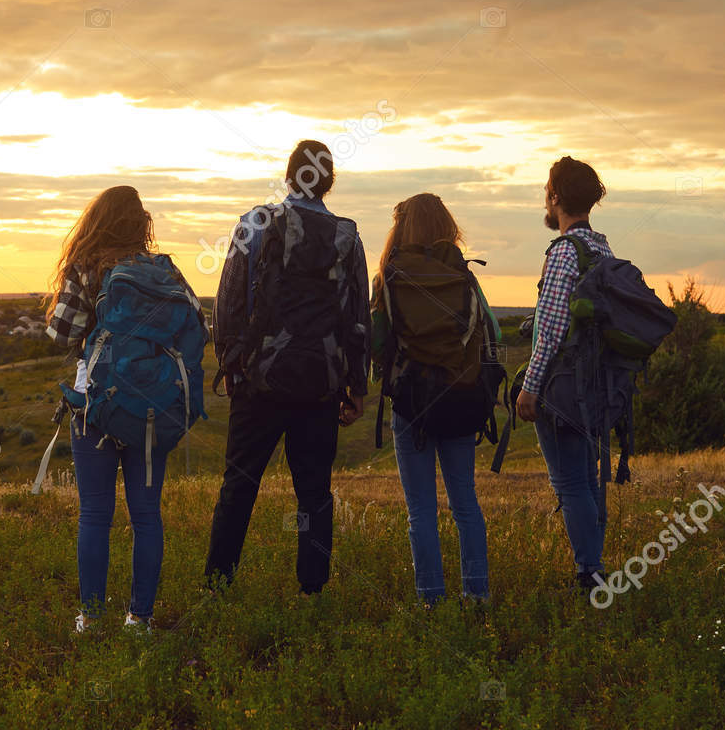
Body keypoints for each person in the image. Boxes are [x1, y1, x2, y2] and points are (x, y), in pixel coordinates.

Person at [203, 141, 370, 595]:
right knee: (314, 492)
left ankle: (218, 587)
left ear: (289, 175)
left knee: (238, 486)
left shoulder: (256, 223)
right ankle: (312, 590)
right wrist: (357, 384)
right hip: (321, 384)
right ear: (330, 181)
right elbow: (358, 315)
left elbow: (228, 302)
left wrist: (232, 366)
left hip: (259, 380)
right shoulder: (347, 237)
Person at [46, 185, 200, 633]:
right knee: (146, 514)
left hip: (94, 406)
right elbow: (197, 326)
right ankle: (140, 619)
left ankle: (92, 619)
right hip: (153, 408)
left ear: (97, 221)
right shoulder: (164, 271)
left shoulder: (86, 266)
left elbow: (60, 333)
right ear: (142, 224)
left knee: (96, 513)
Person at [371, 193, 494, 605]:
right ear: (446, 226)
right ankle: (476, 596)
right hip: (461, 400)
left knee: (420, 510)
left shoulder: (389, 276)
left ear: (401, 226)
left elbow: (375, 341)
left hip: (412, 405)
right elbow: (490, 332)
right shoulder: (465, 276)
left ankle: (430, 599)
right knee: (465, 504)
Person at [516, 156, 614, 592]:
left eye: (546, 189)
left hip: (563, 387)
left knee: (571, 481)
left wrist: (529, 386)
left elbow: (552, 327)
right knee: (588, 479)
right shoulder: (604, 249)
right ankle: (594, 565)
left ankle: (590, 575)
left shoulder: (564, 253)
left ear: (555, 196)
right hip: (599, 384)